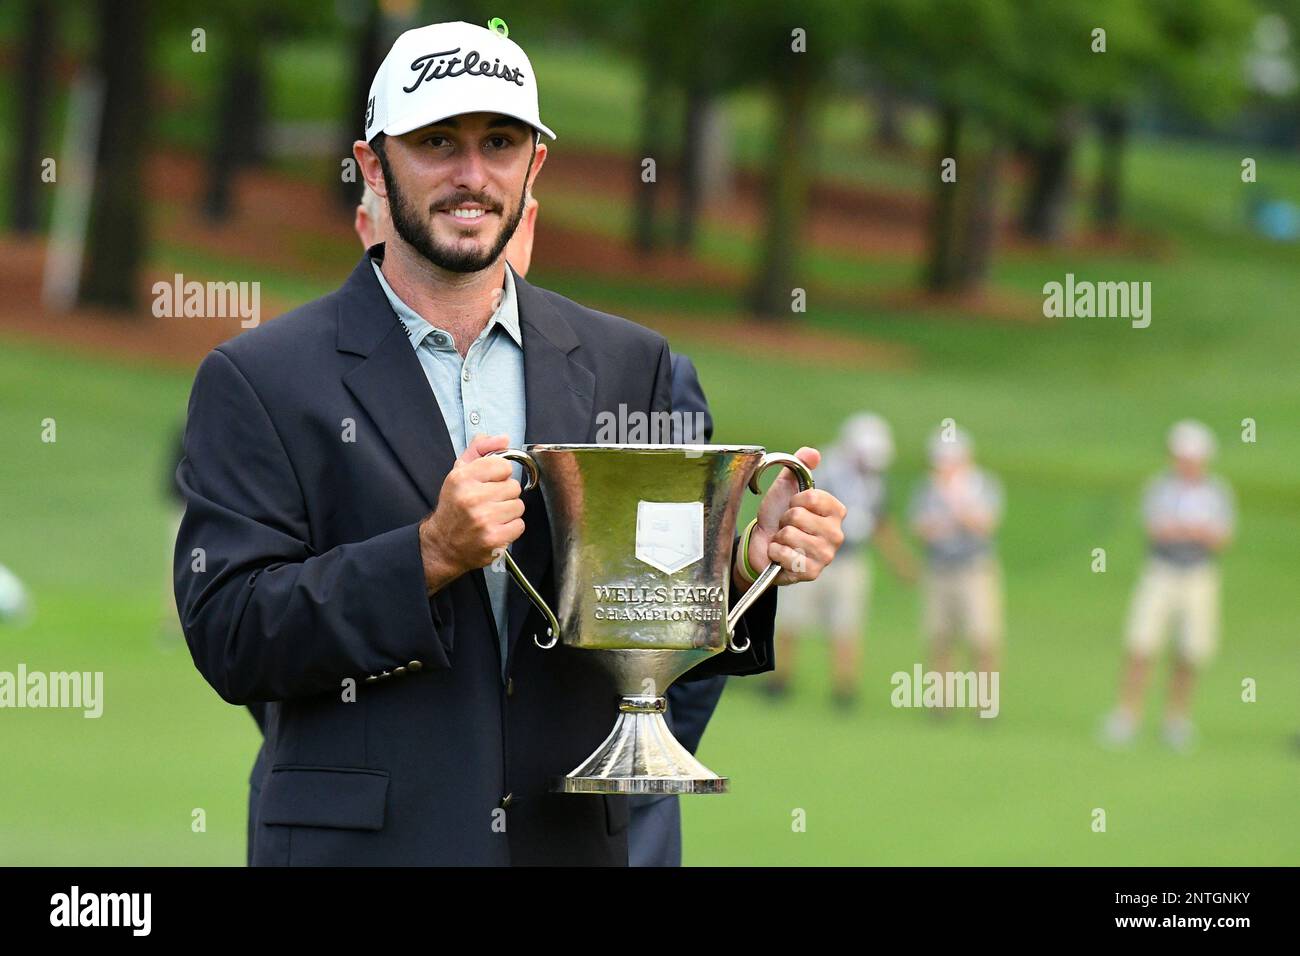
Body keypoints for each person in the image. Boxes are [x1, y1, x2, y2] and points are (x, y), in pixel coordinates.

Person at [176, 19, 847, 866]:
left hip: (568, 846)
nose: (470, 174)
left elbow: (646, 607)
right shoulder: (261, 378)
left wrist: (746, 564)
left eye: (499, 142)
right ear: (375, 164)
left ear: (534, 166)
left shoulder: (626, 363)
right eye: (436, 143)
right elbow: (229, 633)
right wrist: (425, 555)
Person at [768, 413, 917, 708]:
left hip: (850, 560)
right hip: (809, 554)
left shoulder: (874, 481)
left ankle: (844, 689)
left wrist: (900, 561)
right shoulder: (825, 470)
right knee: (792, 619)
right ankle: (779, 681)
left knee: (846, 625)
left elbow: (881, 521)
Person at [1102, 420, 1235, 753]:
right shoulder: (1159, 487)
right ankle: (1126, 716)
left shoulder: (1216, 491)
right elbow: (1157, 529)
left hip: (1199, 575)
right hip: (1161, 571)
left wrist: (1191, 531)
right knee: (1141, 643)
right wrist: (1192, 530)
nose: (1185, 462)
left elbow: (1220, 537)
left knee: (1190, 650)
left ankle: (1176, 720)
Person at [909, 425, 1005, 705]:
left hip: (974, 570)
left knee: (982, 637)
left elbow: (984, 526)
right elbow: (922, 528)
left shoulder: (983, 484)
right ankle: (941, 702)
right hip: (939, 569)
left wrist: (955, 505)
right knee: (940, 637)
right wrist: (950, 520)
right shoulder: (927, 487)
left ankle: (985, 702)